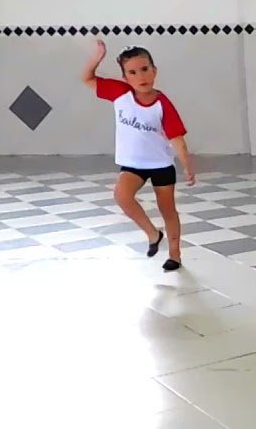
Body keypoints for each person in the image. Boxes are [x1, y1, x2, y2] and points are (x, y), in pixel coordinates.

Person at [82, 40, 194, 272]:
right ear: (125, 78)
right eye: (132, 72)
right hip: (133, 164)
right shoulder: (119, 93)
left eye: (145, 69)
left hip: (161, 164)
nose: (141, 76)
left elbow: (177, 139)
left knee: (168, 210)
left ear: (154, 71)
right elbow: (87, 78)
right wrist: (98, 57)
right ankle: (153, 234)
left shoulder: (162, 104)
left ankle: (175, 254)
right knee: (122, 196)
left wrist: (187, 166)